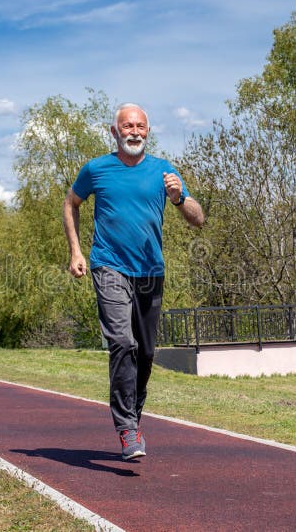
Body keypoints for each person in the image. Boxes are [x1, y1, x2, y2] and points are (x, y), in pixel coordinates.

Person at [62, 103, 205, 460]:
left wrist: (180, 198)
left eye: (140, 126)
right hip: (109, 267)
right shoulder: (96, 169)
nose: (134, 131)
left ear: (148, 131)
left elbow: (198, 219)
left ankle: (133, 420)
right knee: (122, 343)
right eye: (128, 126)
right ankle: (126, 429)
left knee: (145, 353)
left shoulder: (163, 171)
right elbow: (71, 203)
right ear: (115, 132)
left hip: (150, 273)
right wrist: (76, 252)